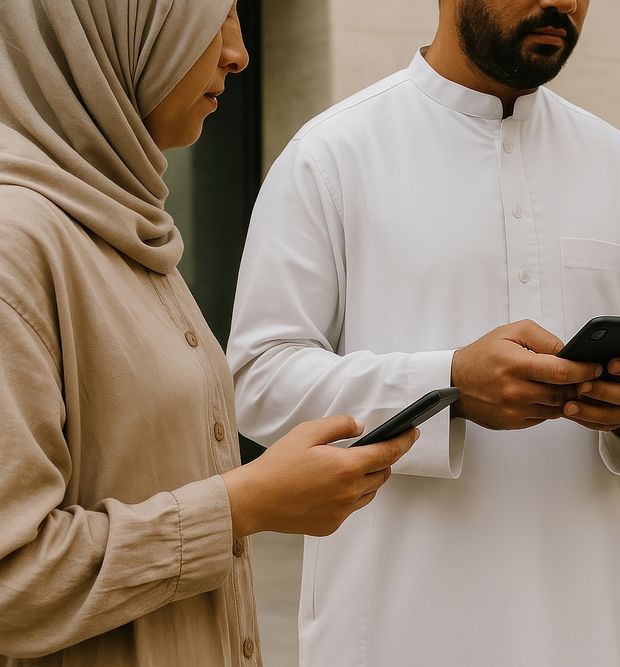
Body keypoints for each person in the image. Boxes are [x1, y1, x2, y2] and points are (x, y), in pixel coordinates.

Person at [226, 0, 620, 664]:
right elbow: (260, 379)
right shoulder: (332, 155)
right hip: (395, 626)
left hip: (582, 623)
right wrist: (445, 384)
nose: (559, 5)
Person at [0, 2, 415, 664]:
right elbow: (10, 580)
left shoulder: (124, 227)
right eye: (212, 17)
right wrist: (242, 504)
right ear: (112, 28)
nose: (237, 52)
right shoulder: (18, 246)